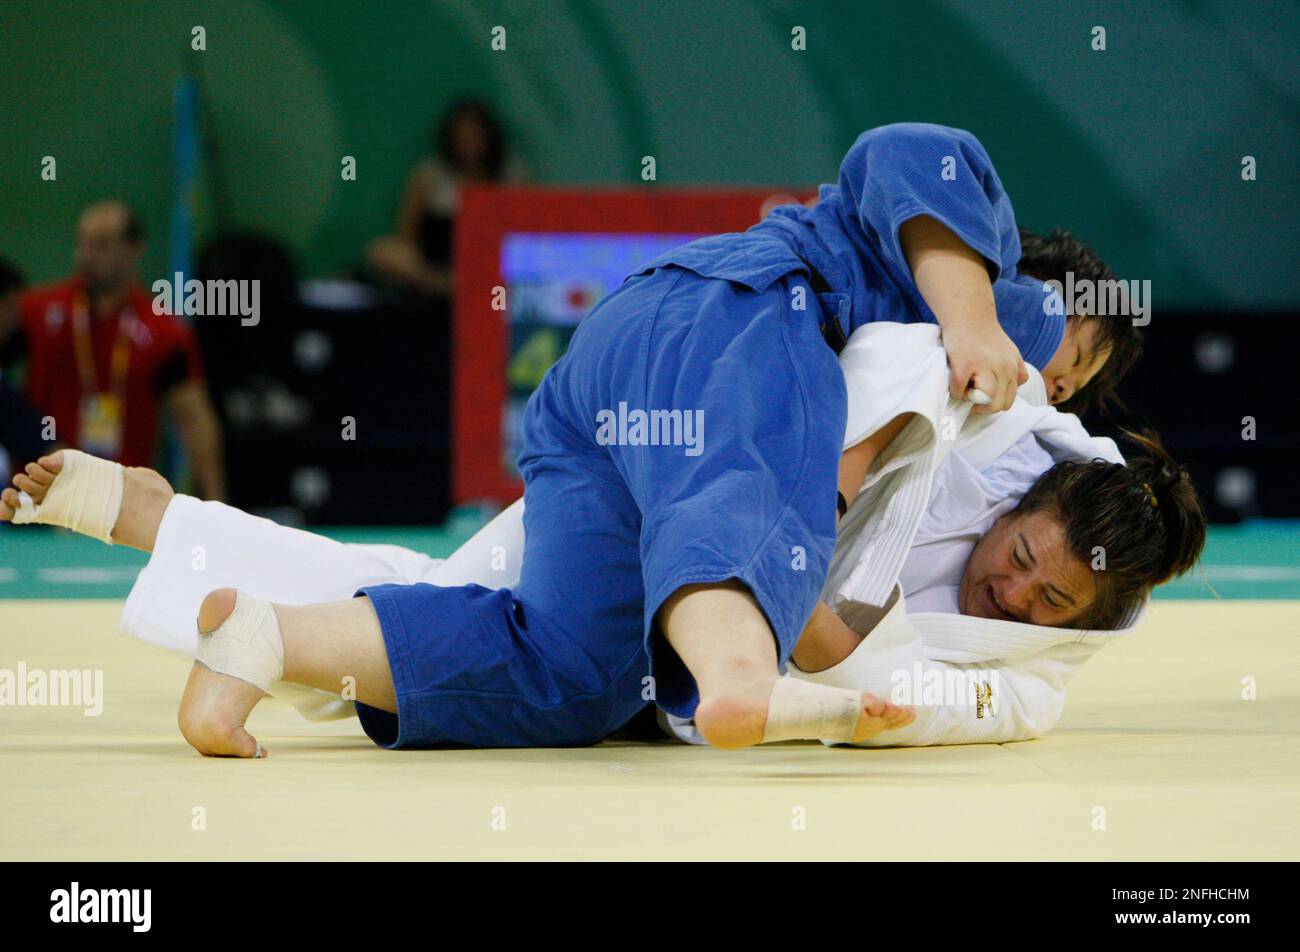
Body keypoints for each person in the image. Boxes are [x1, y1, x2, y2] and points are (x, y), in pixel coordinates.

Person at [7, 201, 226, 500]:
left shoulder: (164, 332)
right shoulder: (36, 312)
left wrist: (215, 504)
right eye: (82, 243)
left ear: (134, 249)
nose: (87, 255)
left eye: (101, 245)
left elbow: (194, 420)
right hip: (38, 496)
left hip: (122, 506)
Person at [365, 100, 528, 298]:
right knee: (381, 252)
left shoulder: (512, 173)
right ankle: (453, 287)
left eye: (475, 136)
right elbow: (407, 235)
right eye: (463, 136)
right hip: (437, 270)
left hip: (490, 266)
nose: (469, 143)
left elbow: (525, 234)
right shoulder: (429, 173)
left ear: (489, 136)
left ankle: (469, 285)